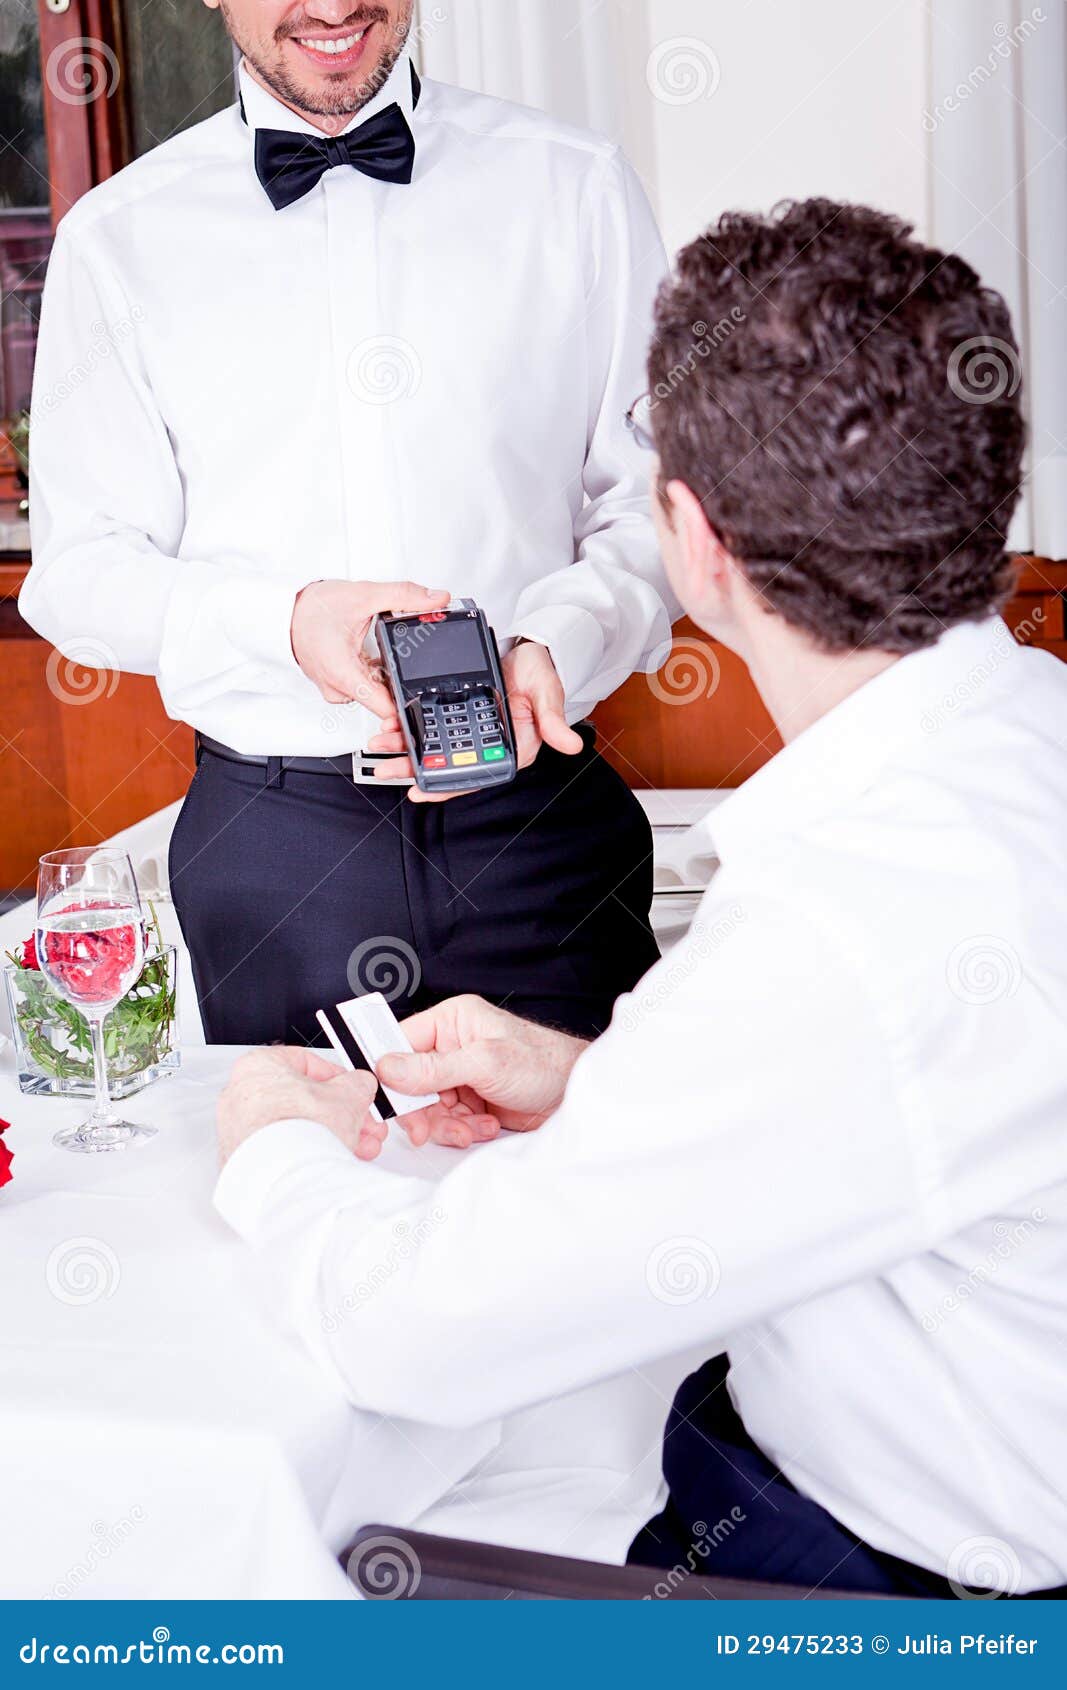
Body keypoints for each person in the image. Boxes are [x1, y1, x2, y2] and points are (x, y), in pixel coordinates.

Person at [213, 199, 1067, 1596]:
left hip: (892, 1591)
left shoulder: (842, 916)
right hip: (912, 1476)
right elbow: (913, 1106)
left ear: (691, 542)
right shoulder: (1020, 736)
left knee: (233, 1607)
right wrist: (595, 1080)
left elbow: (415, 1337)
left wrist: (268, 1152)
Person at [21, 0, 673, 1050]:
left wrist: (559, 635)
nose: (329, 6)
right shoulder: (117, 239)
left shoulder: (576, 188)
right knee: (297, 1195)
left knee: (606, 1194)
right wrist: (282, 622)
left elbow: (655, 496)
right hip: (274, 853)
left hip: (543, 835)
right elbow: (80, 573)